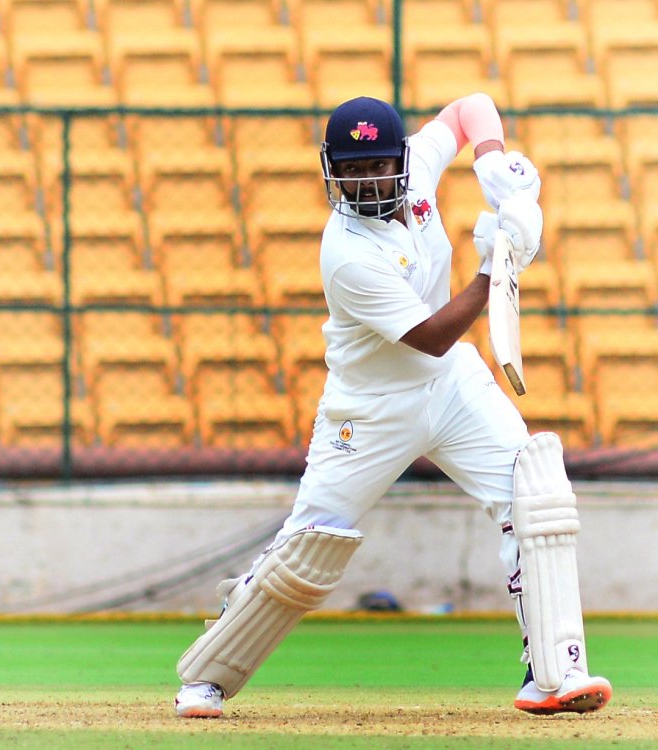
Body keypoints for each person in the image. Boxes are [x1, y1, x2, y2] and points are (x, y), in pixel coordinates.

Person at [172, 95, 612, 718]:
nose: (365, 180)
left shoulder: (422, 167)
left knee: (534, 493)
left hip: (451, 387)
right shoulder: (346, 252)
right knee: (310, 547)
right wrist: (498, 261)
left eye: (378, 165)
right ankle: (207, 675)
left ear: (401, 161)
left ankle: (555, 673)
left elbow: (470, 108)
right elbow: (431, 336)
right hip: (370, 407)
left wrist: (494, 164)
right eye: (352, 169)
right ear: (332, 171)